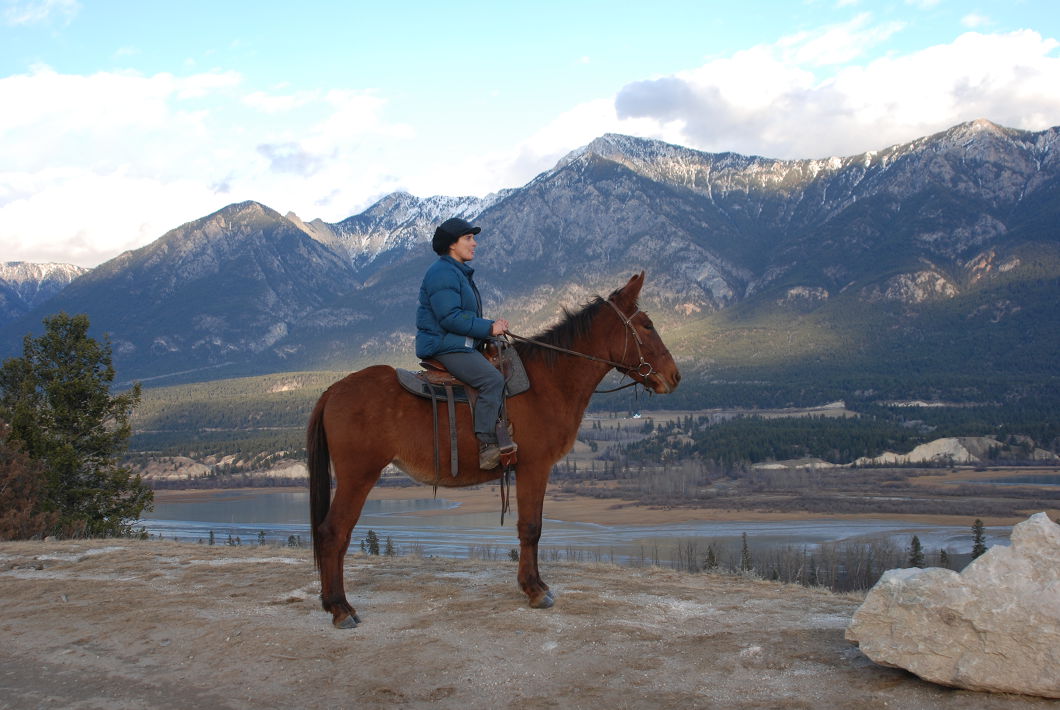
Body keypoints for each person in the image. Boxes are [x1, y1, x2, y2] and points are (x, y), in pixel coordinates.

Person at [415, 217, 510, 469]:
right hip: (445, 345)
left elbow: (463, 317)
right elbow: (450, 318)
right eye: (468, 238)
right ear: (452, 245)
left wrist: (489, 328)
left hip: (457, 341)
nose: (475, 243)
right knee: (492, 380)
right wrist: (489, 327)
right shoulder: (443, 273)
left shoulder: (456, 272)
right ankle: (487, 445)